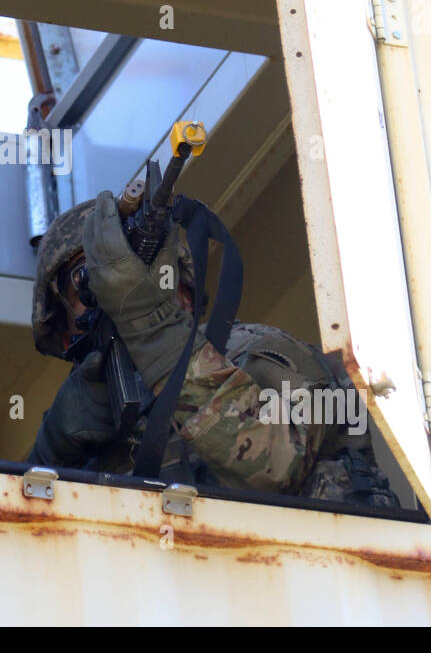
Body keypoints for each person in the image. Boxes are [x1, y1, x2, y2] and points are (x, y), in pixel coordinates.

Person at [27, 194, 398, 507]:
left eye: (144, 277)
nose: (118, 297)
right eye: (89, 283)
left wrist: (155, 333)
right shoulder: (84, 433)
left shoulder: (250, 349)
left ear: (185, 296)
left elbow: (279, 467)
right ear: (64, 337)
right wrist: (52, 452)